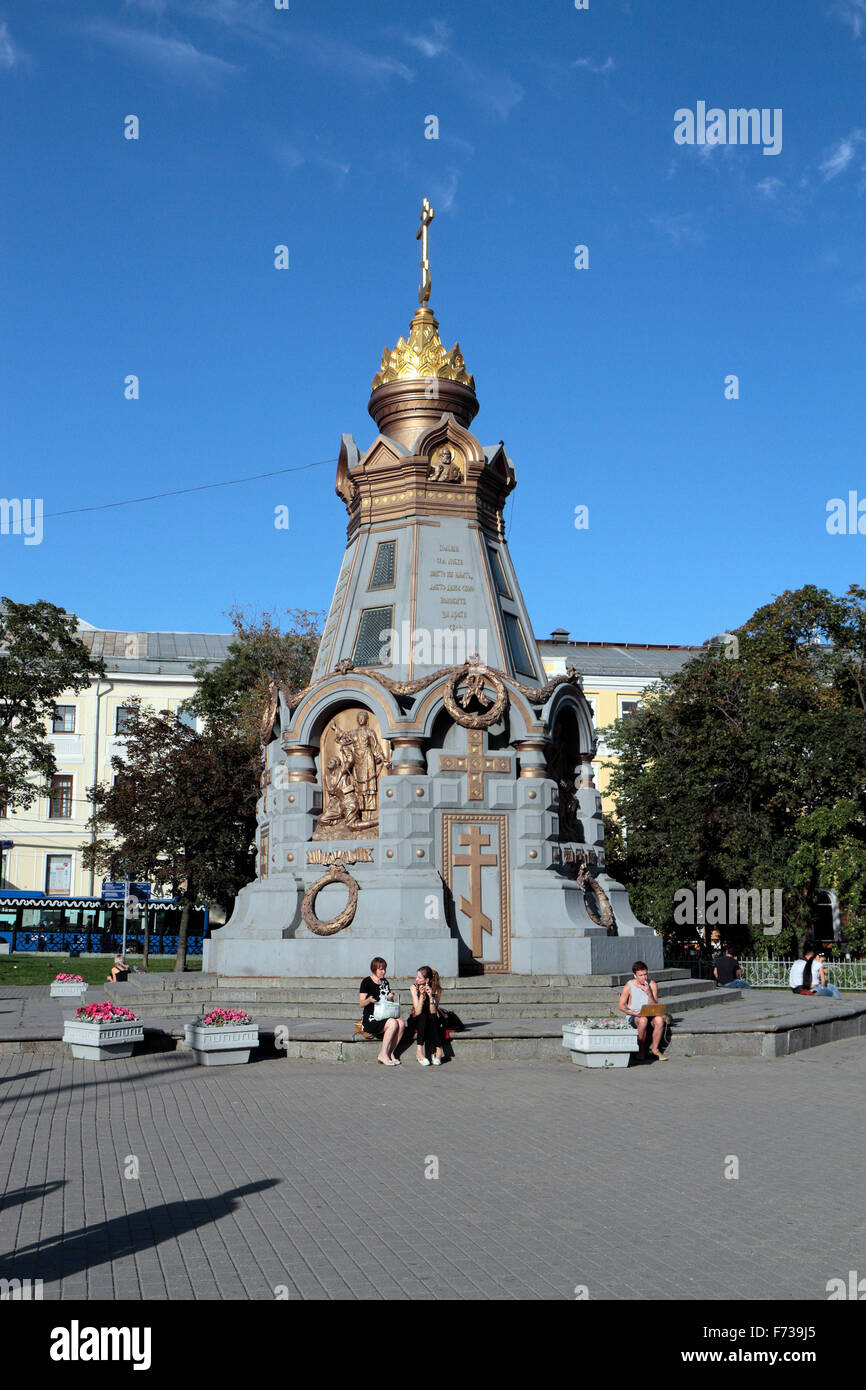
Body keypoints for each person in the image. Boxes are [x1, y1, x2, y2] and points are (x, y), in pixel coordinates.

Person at [358, 957, 405, 1066]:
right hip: (371, 1018)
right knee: (393, 1023)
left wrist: (390, 997)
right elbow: (361, 1003)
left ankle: (391, 1053)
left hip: (384, 1015)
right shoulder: (366, 981)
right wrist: (369, 1000)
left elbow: (388, 1002)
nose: (384, 972)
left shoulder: (385, 982)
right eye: (381, 969)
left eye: (384, 969)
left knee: (401, 1023)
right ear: (374, 969)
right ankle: (383, 1055)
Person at [617, 960, 666, 1061]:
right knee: (643, 1020)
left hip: (649, 1013)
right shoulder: (629, 986)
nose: (644, 977)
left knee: (660, 1020)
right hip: (634, 1016)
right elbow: (621, 1006)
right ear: (635, 975)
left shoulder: (652, 984)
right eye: (641, 975)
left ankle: (655, 1050)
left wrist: (649, 993)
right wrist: (632, 1012)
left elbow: (655, 1005)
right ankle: (641, 1051)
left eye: (645, 974)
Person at [410, 965, 446, 1066]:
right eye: (416, 977)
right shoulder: (413, 987)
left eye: (419, 977)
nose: (416, 979)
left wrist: (430, 997)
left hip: (431, 1018)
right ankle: (419, 1052)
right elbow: (417, 1012)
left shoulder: (436, 989)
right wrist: (422, 995)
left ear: (427, 979)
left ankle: (438, 1051)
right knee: (422, 1015)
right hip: (416, 1018)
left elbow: (433, 1011)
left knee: (432, 1016)